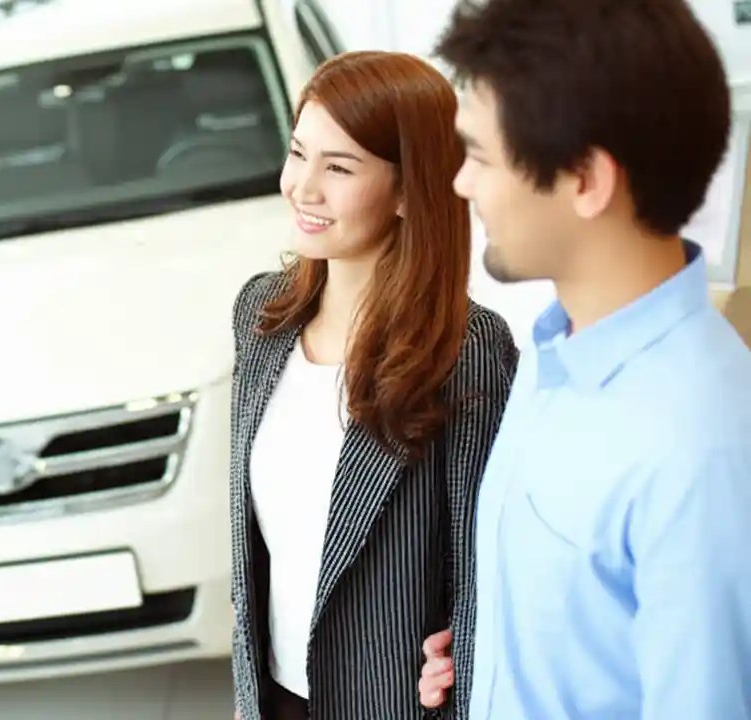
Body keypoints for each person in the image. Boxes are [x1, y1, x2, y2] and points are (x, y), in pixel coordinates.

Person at [418, 0, 751, 717]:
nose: (460, 184)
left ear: (586, 179)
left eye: (478, 155)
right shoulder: (556, 348)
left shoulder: (701, 452)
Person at [229, 50, 518, 720]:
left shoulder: (464, 350)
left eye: (340, 167)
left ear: (406, 190)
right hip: (274, 699)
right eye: (300, 154)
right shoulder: (261, 317)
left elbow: (482, 574)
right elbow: (256, 550)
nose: (304, 187)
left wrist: (466, 683)